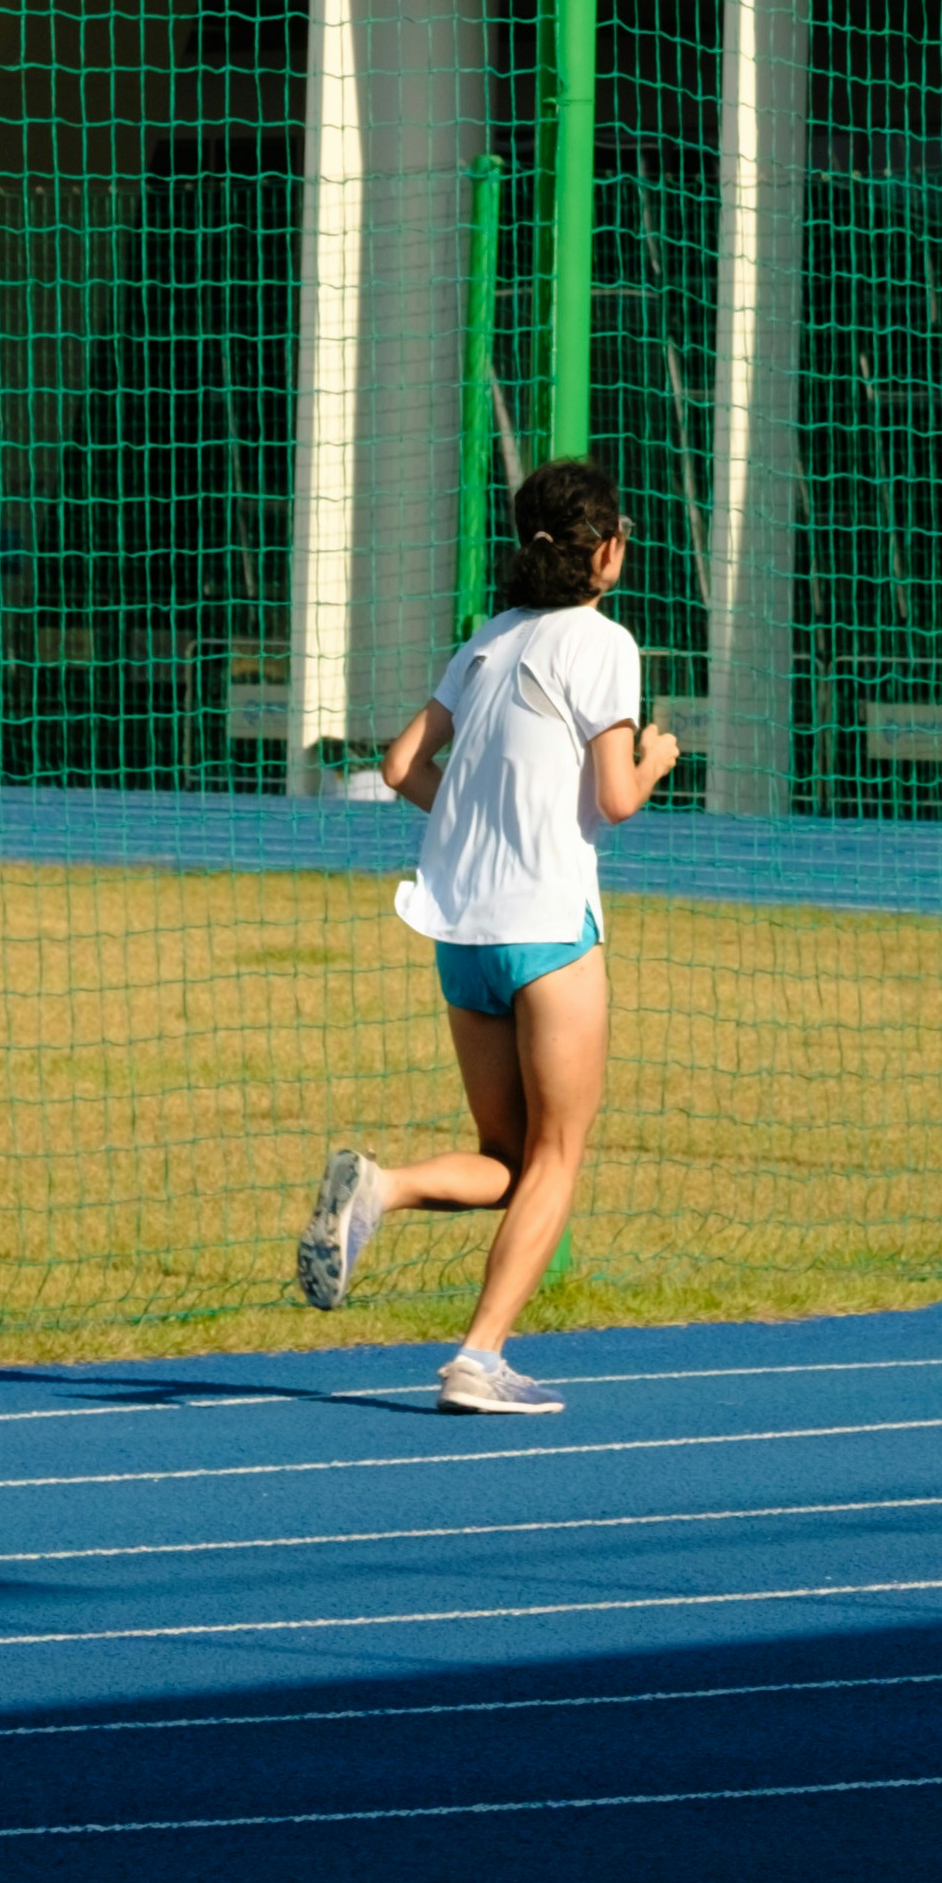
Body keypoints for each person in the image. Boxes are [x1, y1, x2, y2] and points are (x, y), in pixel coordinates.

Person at [292, 456, 680, 1415]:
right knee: (557, 1158)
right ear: (605, 552)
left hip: (460, 930)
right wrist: (658, 755)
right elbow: (616, 798)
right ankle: (478, 1357)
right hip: (549, 928)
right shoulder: (604, 643)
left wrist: (470, 811)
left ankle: (379, 1188)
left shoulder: (489, 639)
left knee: (508, 1158)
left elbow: (398, 765)